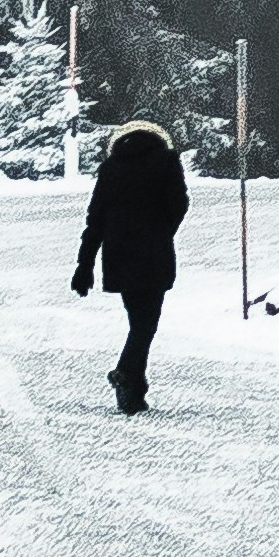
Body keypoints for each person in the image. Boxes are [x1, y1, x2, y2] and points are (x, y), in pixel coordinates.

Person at [74, 108, 191, 412]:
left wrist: (84, 265)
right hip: (155, 254)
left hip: (118, 255)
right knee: (145, 325)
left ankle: (134, 392)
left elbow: (95, 220)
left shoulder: (111, 168)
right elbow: (180, 203)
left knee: (138, 321)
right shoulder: (167, 162)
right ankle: (126, 374)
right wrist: (163, 230)